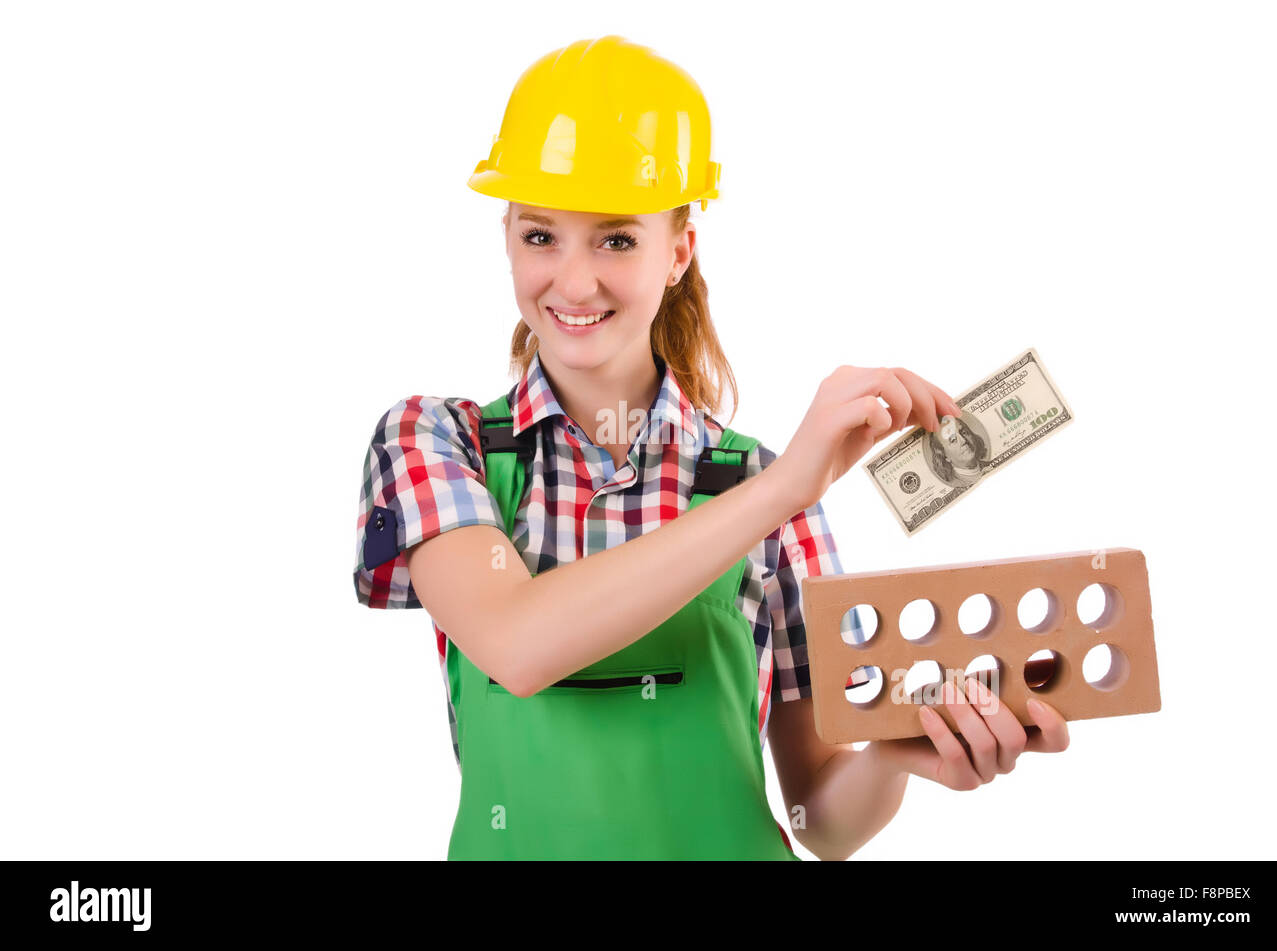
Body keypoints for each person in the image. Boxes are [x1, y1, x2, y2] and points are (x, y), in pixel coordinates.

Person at [352, 35, 1070, 861]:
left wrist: (896, 755)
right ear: (506, 235)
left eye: (617, 239)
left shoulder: (760, 480)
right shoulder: (439, 444)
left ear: (678, 251)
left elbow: (821, 822)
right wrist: (776, 494)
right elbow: (518, 645)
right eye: (540, 235)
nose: (574, 282)